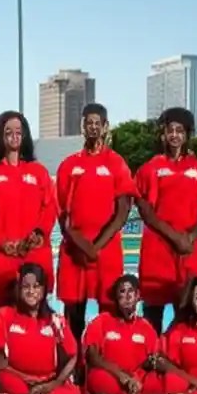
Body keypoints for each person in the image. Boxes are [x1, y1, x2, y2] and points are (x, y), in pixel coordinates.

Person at [56, 102, 137, 347]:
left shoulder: (116, 163)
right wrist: (81, 245)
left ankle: (105, 360)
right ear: (83, 126)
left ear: (105, 127)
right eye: (88, 123)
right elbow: (62, 214)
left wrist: (97, 246)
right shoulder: (69, 165)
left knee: (109, 309)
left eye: (97, 123)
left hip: (107, 250)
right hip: (75, 251)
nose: (93, 127)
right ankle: (74, 367)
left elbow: (123, 210)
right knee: (73, 311)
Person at [0, 111, 58, 330]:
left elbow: (49, 207)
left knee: (37, 313)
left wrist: (38, 234)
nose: (14, 136)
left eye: (18, 131)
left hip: (33, 252)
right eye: (8, 131)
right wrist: (2, 242)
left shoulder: (38, 173)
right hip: (1, 255)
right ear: (0, 136)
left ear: (25, 136)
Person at [135, 107, 197, 334]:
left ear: (186, 135)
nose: (175, 135)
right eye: (170, 130)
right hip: (158, 249)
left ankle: (178, 359)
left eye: (180, 131)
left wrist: (192, 236)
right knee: (152, 315)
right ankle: (152, 360)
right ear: (163, 134)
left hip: (188, 248)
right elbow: (145, 209)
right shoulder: (151, 168)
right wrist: (173, 236)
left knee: (187, 311)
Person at [0, 262, 81, 394]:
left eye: (36, 286)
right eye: (26, 287)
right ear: (19, 289)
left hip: (47, 384)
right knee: (4, 378)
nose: (31, 291)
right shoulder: (4, 316)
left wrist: (53, 384)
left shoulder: (55, 320)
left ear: (43, 290)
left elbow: (72, 355)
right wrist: (3, 390)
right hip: (17, 381)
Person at [82, 275, 160, 394]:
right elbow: (92, 357)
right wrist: (120, 375)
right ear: (116, 298)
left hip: (136, 379)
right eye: (122, 292)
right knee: (99, 379)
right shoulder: (101, 321)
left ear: (138, 296)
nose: (128, 296)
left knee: (169, 381)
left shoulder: (146, 327)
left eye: (131, 291)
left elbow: (153, 360)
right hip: (110, 376)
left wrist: (136, 379)